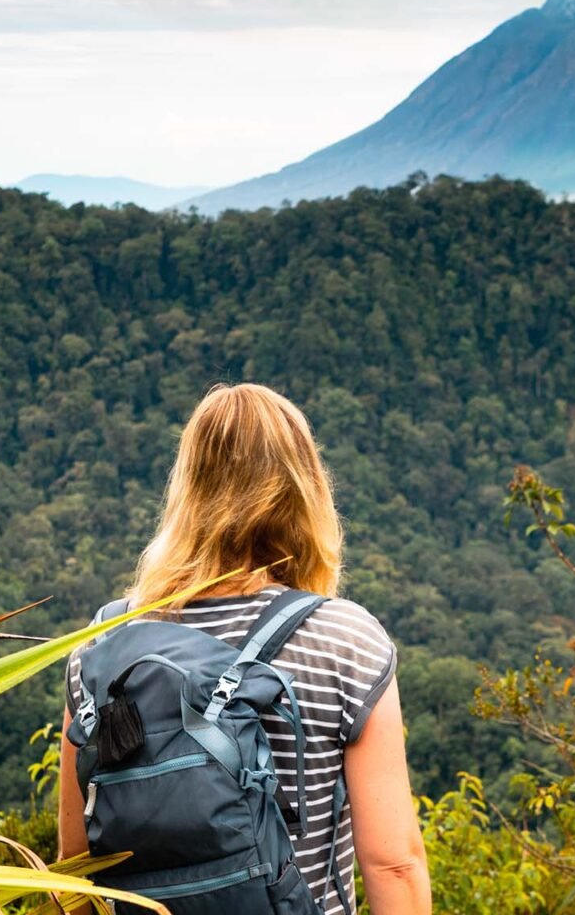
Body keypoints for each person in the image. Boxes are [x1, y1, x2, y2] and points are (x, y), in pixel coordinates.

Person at [58, 383, 431, 915]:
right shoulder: (344, 640)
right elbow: (394, 864)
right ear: (305, 491)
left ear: (186, 490)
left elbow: (76, 864)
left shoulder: (99, 649)